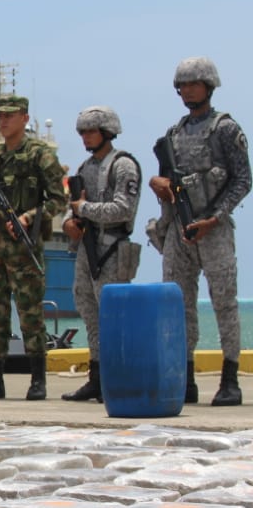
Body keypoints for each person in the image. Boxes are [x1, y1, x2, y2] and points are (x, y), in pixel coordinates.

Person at [148, 57, 250, 406]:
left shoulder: (224, 129)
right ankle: (185, 379)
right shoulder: (173, 134)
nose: (186, 90)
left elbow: (243, 179)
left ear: (208, 85)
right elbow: (164, 177)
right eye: (182, 86)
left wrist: (216, 217)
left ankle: (230, 379)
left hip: (214, 228)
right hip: (180, 228)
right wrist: (158, 182)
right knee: (179, 305)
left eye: (192, 84)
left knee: (224, 303)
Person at [0, 95, 67, 401]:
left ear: (24, 118)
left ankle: (38, 379)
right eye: (0, 116)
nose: (3, 121)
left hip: (23, 246)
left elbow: (58, 200)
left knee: (30, 311)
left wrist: (28, 217)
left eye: (9, 115)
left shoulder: (40, 156)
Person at [61, 106, 142, 403]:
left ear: (107, 132)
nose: (85, 137)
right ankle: (96, 377)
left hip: (113, 248)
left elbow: (123, 209)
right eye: (82, 132)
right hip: (87, 247)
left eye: (91, 131)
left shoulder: (124, 166)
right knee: (89, 312)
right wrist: (69, 222)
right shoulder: (85, 169)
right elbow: (73, 208)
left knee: (114, 316)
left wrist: (84, 210)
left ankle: (119, 376)